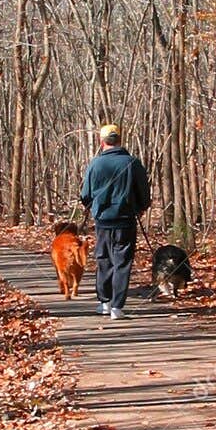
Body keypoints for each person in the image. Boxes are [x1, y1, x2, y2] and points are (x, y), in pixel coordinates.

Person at [80, 123, 151, 320]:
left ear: (101, 142)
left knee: (104, 259)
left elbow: (85, 195)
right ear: (120, 140)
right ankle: (117, 308)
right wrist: (140, 208)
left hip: (103, 220)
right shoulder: (132, 163)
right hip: (126, 220)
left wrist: (93, 206)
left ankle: (104, 302)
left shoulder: (95, 164)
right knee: (122, 262)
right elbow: (144, 193)